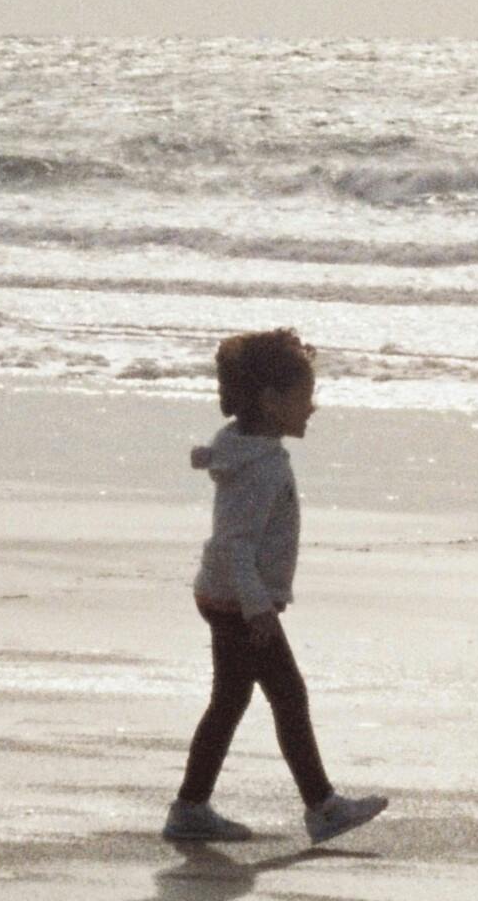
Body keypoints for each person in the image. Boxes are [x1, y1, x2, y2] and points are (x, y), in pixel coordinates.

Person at [167, 330, 392, 851]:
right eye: (304, 395)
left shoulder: (249, 453)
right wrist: (257, 607)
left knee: (231, 702)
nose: (313, 407)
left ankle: (191, 807)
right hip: (239, 602)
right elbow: (234, 544)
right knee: (287, 697)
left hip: (227, 597)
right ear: (271, 401)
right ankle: (322, 807)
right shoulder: (260, 467)